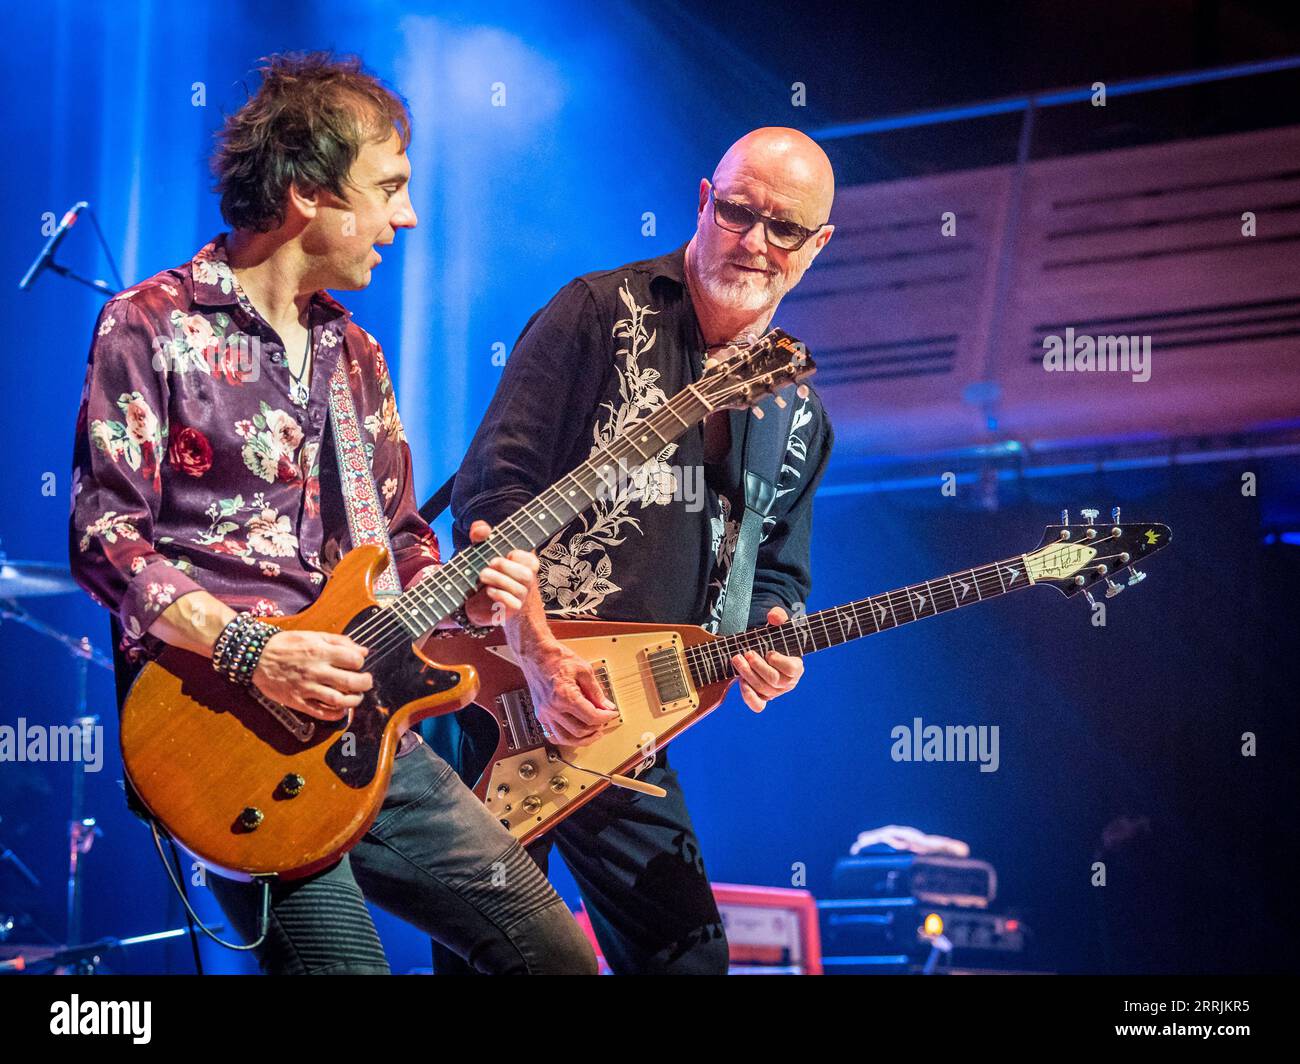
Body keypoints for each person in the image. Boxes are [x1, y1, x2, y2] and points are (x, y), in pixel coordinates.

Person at [68, 52, 596, 976]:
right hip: (224, 732)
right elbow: (104, 539)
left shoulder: (357, 355)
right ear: (310, 190)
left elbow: (395, 541)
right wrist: (254, 650)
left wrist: (465, 597)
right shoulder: (150, 324)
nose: (408, 214)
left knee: (555, 955)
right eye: (388, 186)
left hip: (368, 721)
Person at [432, 127, 837, 974]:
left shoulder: (801, 413)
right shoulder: (596, 312)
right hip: (507, 682)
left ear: (817, 246)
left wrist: (777, 639)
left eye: (784, 228)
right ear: (702, 201)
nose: (755, 242)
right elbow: (492, 495)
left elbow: (779, 574)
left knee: (688, 961)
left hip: (632, 716)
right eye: (736, 211)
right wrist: (536, 657)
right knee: (499, 960)